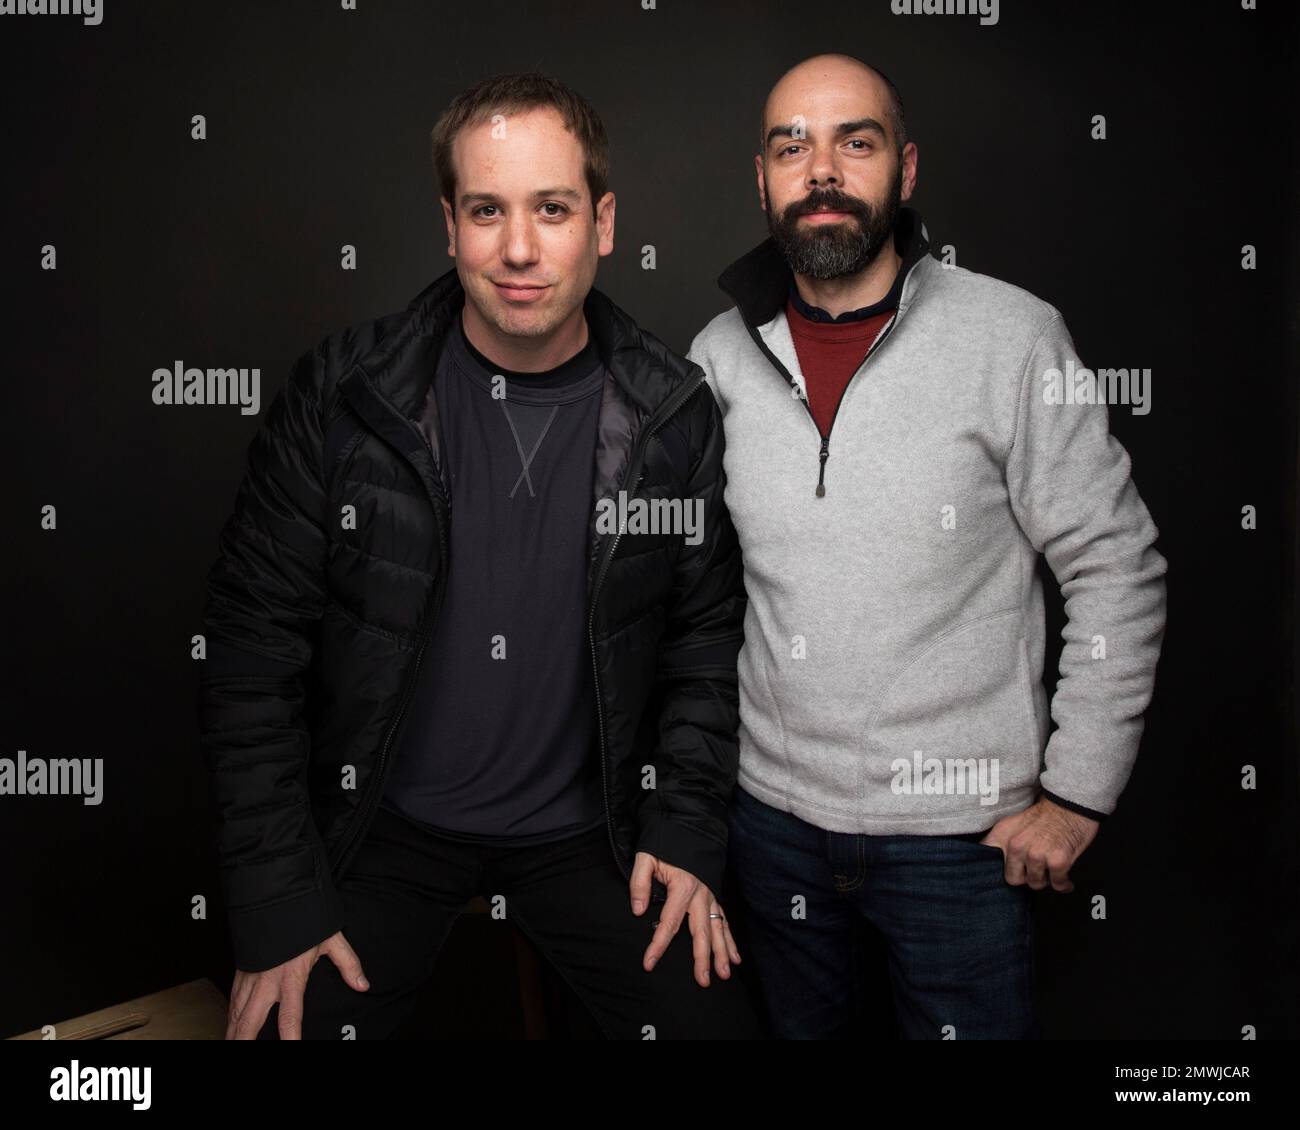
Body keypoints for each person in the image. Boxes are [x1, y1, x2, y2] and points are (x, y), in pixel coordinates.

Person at [197, 71, 759, 1040]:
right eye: (486, 210)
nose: (520, 250)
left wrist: (684, 830)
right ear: (449, 225)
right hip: (382, 828)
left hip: (592, 834)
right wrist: (278, 901)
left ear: (605, 221)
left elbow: (703, 646)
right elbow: (251, 656)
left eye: (553, 209)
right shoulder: (344, 396)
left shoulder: (673, 412)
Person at [687, 53, 1168, 1039]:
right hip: (770, 830)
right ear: (762, 178)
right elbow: (688, 594)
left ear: (903, 172)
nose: (820, 170)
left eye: (852, 142)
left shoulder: (1016, 337)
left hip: (961, 843)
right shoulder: (715, 357)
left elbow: (1114, 560)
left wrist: (1076, 793)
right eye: (793, 146)